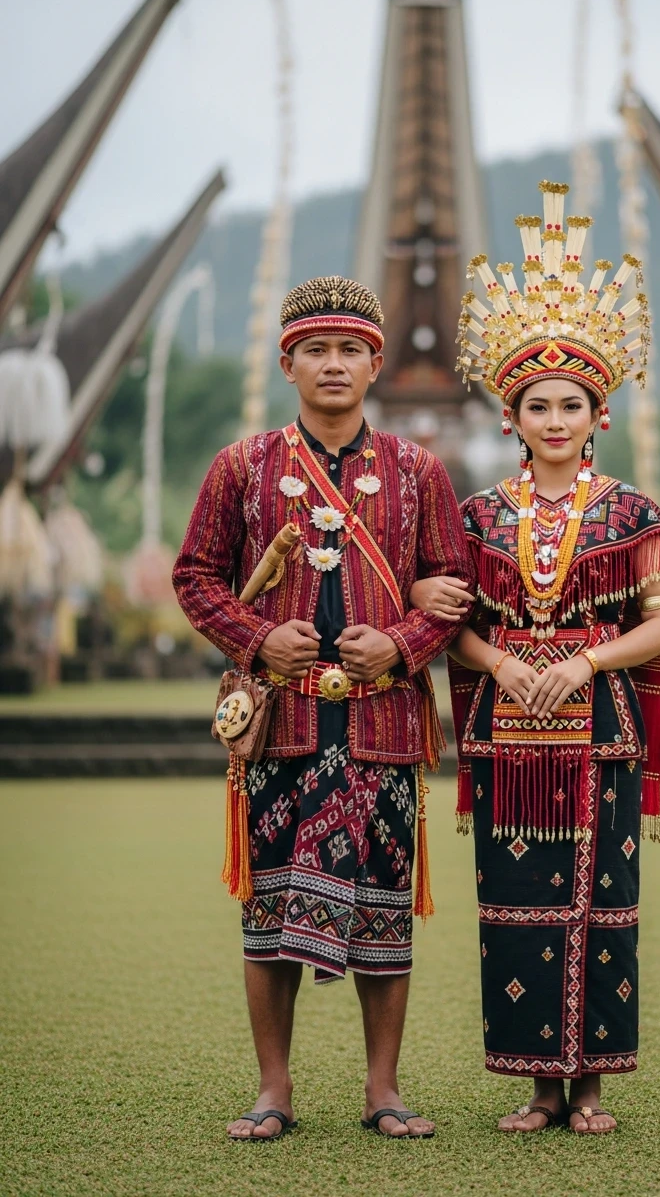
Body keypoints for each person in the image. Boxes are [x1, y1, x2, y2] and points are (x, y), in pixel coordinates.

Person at [410, 183, 660, 1135]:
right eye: (539, 404)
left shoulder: (633, 515)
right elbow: (447, 622)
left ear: (598, 413)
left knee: (605, 906)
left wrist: (586, 662)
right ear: (513, 414)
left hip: (599, 735)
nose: (556, 418)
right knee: (516, 903)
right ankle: (538, 1086)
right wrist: (496, 664)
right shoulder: (477, 518)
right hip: (508, 738)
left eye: (573, 403)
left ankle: (593, 1086)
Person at [173, 276, 473, 1140]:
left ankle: (384, 1089)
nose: (333, 364)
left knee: (384, 909)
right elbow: (195, 577)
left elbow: (455, 589)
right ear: (288, 364)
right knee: (267, 911)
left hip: (381, 724)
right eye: (316, 350)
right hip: (283, 724)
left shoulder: (419, 471)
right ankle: (275, 1089)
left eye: (349, 350)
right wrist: (258, 638)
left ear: (375, 364)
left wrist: (402, 645)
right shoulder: (241, 467)